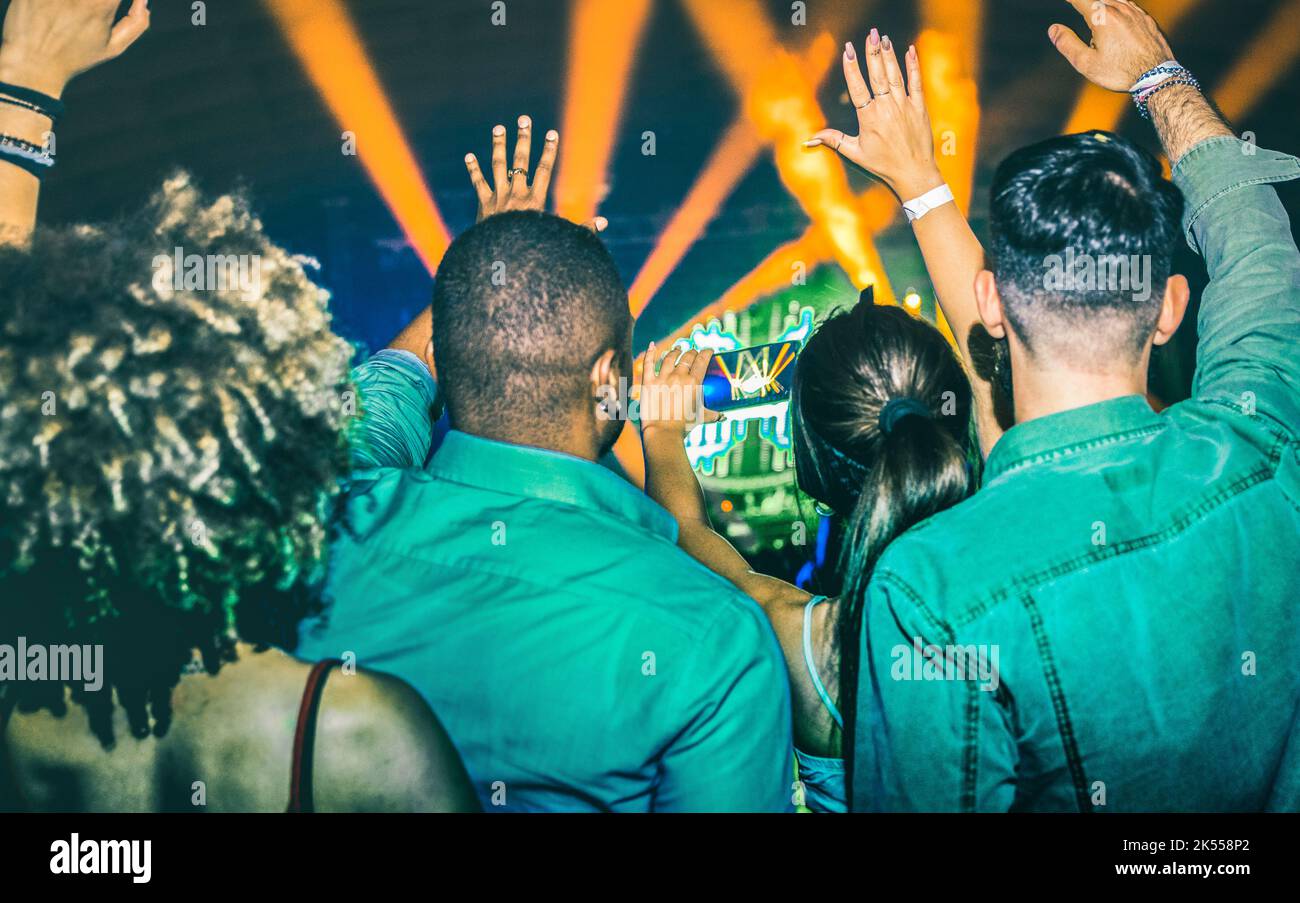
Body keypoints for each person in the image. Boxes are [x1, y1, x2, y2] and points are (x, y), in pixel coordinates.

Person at [0, 0, 477, 813]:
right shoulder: (355, 728)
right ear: (289, 470)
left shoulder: (26, 700)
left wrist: (24, 85)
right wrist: (483, 270)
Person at [846, 0, 1300, 811]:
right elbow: (1255, 235)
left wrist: (919, 185)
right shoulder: (1266, 445)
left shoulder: (932, 590)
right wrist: (1161, 78)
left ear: (992, 299)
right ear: (1168, 307)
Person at [295, 119, 795, 812]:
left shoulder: (322, 520)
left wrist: (481, 273)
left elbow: (392, 383)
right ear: (608, 379)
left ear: (452, 354)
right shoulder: (712, 637)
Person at [639, 32, 994, 813]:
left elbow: (690, 541)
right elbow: (987, 354)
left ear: (813, 469)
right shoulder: (1030, 562)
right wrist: (921, 182)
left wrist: (663, 433)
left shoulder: (808, 648)